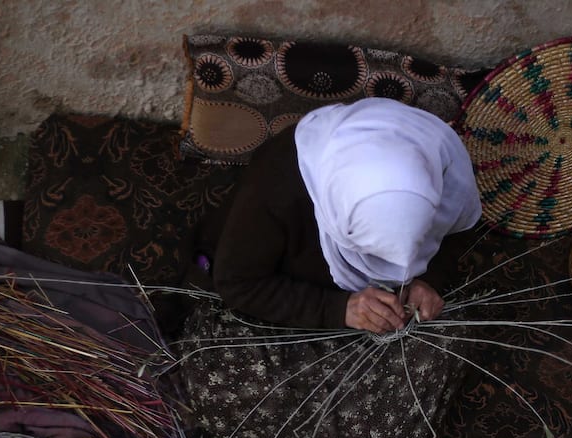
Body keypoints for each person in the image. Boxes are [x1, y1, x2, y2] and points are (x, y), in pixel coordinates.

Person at [195, 97, 482, 333]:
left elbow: (458, 229)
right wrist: (339, 309)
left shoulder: (444, 167)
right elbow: (237, 282)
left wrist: (428, 279)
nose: (402, 270)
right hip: (290, 298)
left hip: (382, 316)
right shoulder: (276, 188)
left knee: (452, 338)